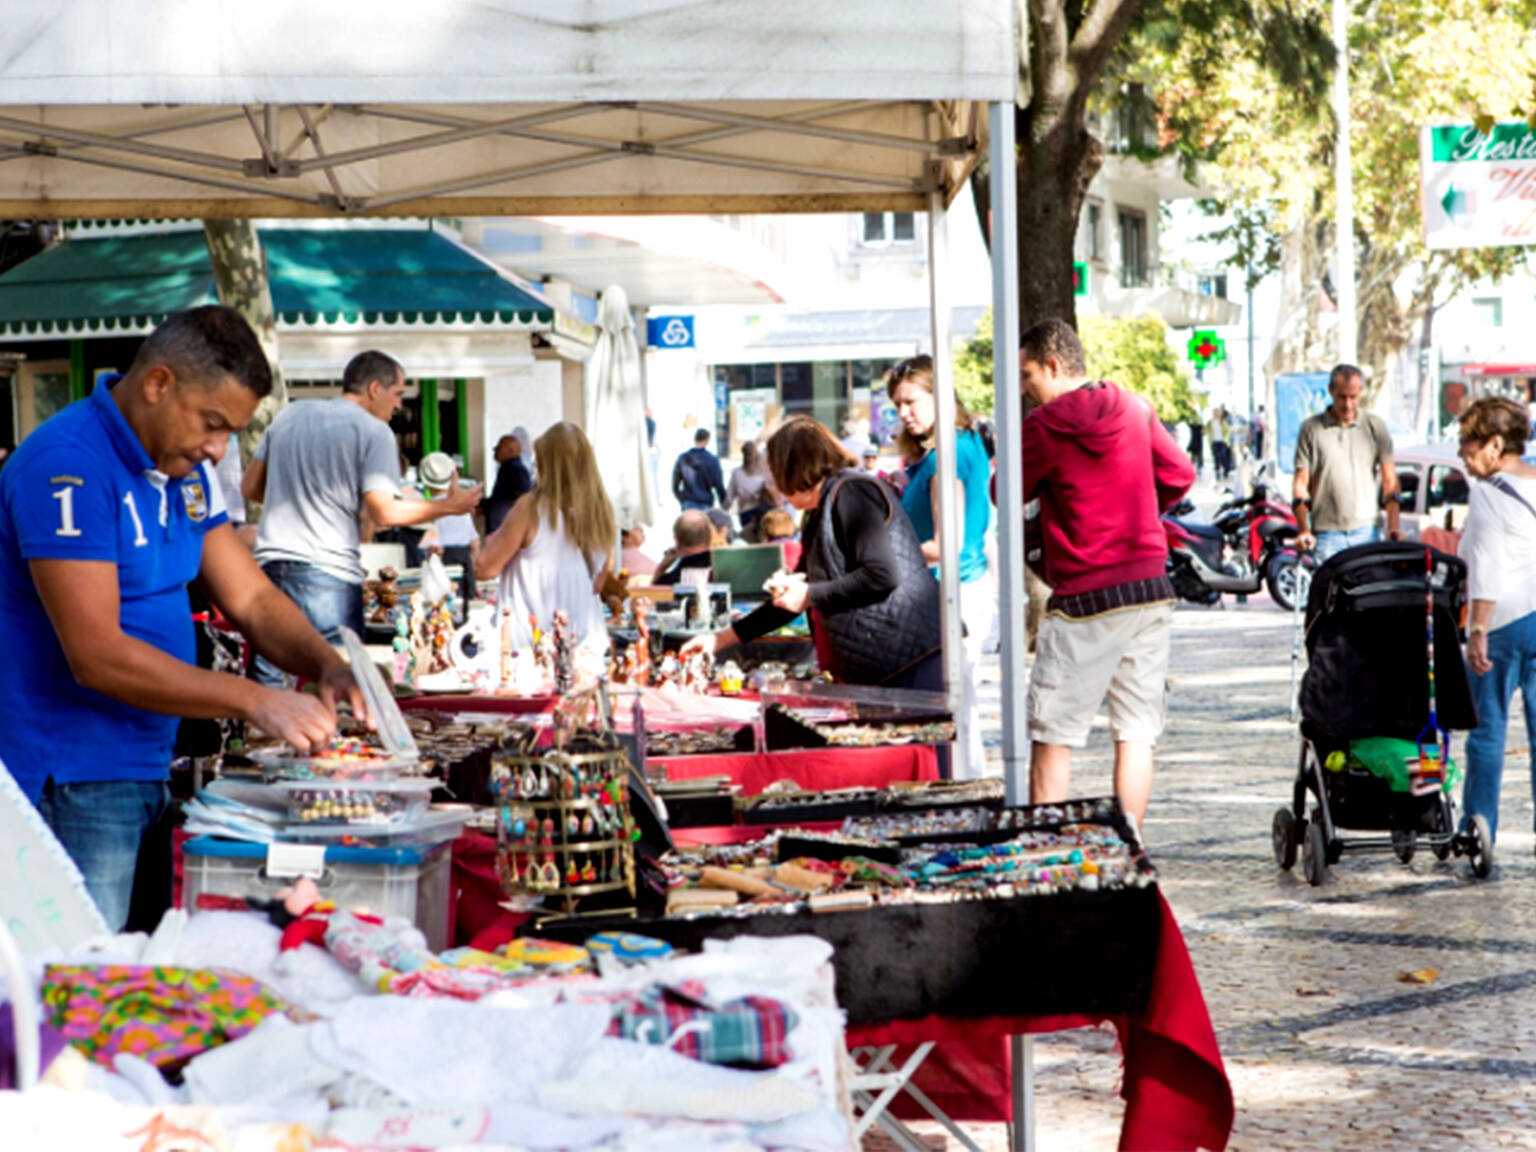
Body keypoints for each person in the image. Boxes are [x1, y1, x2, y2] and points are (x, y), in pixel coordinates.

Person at [0, 306, 364, 930]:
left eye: (231, 434)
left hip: (143, 765)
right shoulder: (67, 464)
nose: (217, 450)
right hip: (72, 776)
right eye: (212, 424)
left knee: (138, 964)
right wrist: (254, 699)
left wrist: (326, 663)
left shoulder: (182, 469)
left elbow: (252, 599)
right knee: (83, 971)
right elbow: (97, 656)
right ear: (158, 384)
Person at [1017, 319, 1195, 828]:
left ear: (1053, 365)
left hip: (1085, 596)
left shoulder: (1044, 426)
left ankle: (1045, 847)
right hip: (1149, 587)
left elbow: (1003, 491)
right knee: (1136, 732)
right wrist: (1136, 504)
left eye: (1028, 375)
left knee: (1053, 733)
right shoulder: (1136, 408)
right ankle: (1130, 843)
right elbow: (1180, 474)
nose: (1025, 389)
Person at [243, 350, 482, 682]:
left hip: (272, 566)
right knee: (336, 683)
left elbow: (250, 487)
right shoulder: (374, 431)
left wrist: (296, 495)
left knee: (268, 681)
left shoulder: (290, 415)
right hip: (329, 573)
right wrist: (448, 507)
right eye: (397, 393)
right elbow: (384, 511)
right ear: (374, 389)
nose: (399, 405)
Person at [683, 416, 942, 692]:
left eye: (775, 474)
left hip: (908, 662)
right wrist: (720, 639)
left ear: (792, 469)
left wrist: (809, 593)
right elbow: (794, 600)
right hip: (883, 666)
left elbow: (881, 575)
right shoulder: (821, 510)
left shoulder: (851, 493)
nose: (774, 487)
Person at [888, 354, 995, 779]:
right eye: (897, 404)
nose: (903, 413)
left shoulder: (943, 457)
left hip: (951, 595)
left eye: (911, 402)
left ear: (940, 397)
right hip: (963, 590)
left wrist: (885, 556)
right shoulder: (965, 443)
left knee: (952, 709)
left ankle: (961, 788)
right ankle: (965, 785)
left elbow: (943, 544)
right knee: (959, 707)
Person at [1453, 396, 1536, 860]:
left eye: (1469, 446)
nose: (1463, 456)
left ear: (1495, 445)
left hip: (1503, 623)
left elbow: (1487, 568)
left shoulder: (1487, 493)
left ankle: (1479, 826)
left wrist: (1477, 630)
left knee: (1488, 732)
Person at [474, 422, 615, 660]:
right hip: (584, 648)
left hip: (529, 650)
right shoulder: (601, 513)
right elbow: (599, 582)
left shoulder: (530, 508)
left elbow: (484, 568)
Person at [1292, 363, 1400, 565]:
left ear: (1361, 392)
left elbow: (1390, 480)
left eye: (1353, 397)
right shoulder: (1311, 429)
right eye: (1342, 397)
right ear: (1331, 391)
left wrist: (1393, 527)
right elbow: (1301, 483)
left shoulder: (1374, 427)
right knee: (1330, 586)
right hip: (1327, 534)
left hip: (1366, 531)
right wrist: (1303, 529)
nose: (1348, 404)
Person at [417, 452, 481, 607]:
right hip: (463, 565)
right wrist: (473, 574)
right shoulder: (462, 510)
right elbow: (475, 544)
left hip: (437, 567)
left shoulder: (424, 510)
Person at [725, 440, 778, 541]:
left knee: (749, 538)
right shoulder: (764, 472)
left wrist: (724, 509)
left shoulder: (737, 473)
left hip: (745, 511)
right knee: (767, 538)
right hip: (764, 510)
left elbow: (729, 496)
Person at [483, 426, 533, 533]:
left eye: (499, 448)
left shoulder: (517, 470)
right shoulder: (506, 468)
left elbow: (522, 499)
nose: (495, 451)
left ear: (511, 451)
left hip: (507, 530)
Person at [653, 509, 715, 586]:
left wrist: (661, 569)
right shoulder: (721, 573)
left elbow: (653, 591)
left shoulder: (669, 581)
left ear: (677, 541)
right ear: (710, 537)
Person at [672, 428, 726, 511]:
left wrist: (681, 498)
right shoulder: (712, 460)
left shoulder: (683, 458)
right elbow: (719, 484)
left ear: (695, 439)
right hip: (706, 502)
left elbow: (675, 483)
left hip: (688, 501)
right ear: (707, 440)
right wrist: (723, 503)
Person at [1207, 406, 1233, 482]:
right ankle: (1217, 472)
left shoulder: (1222, 421)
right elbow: (1207, 430)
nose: (1215, 414)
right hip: (1214, 442)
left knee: (1223, 456)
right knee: (1216, 457)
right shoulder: (1210, 422)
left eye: (1216, 413)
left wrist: (1225, 439)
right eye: (1214, 413)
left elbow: (1228, 431)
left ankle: (1226, 470)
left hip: (1222, 442)